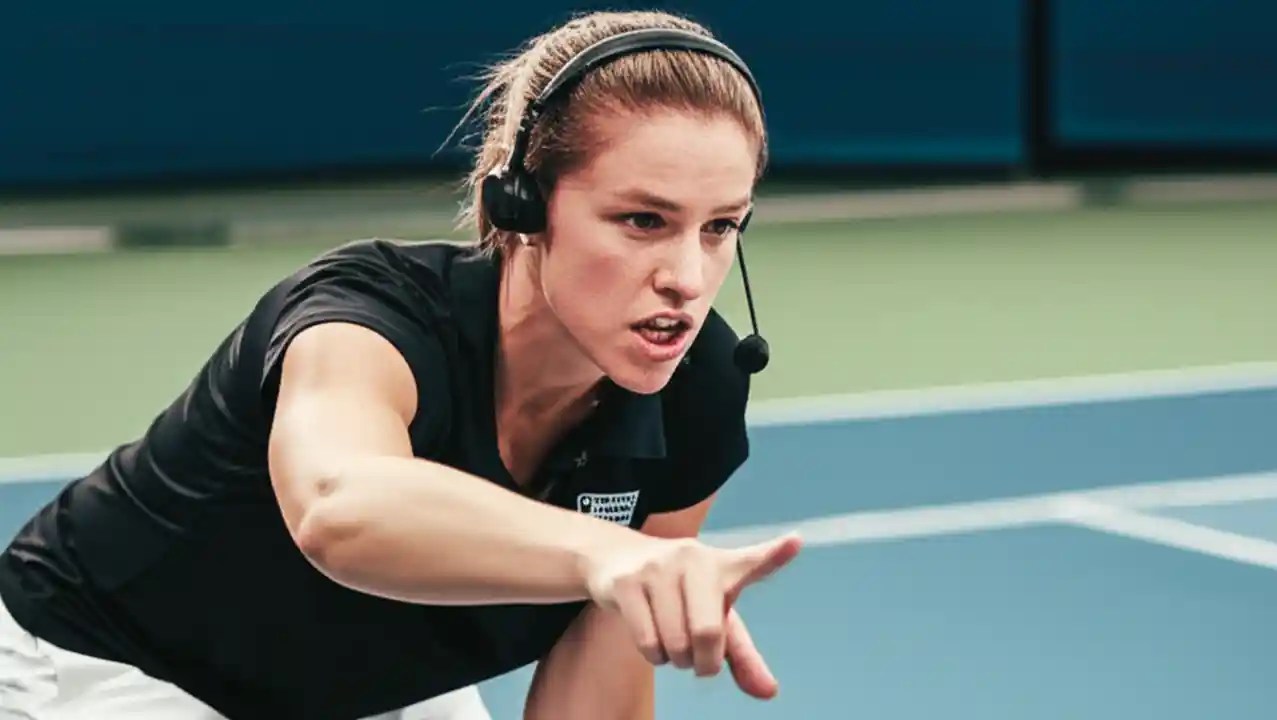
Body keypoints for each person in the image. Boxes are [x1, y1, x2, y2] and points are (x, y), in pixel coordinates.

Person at [0, 9, 802, 719]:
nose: (687, 278)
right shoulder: (364, 318)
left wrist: (629, 565)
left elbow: (593, 694)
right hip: (99, 663)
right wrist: (605, 551)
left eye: (720, 227)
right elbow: (339, 506)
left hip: (352, 688)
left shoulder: (696, 388)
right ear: (522, 204)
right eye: (643, 220)